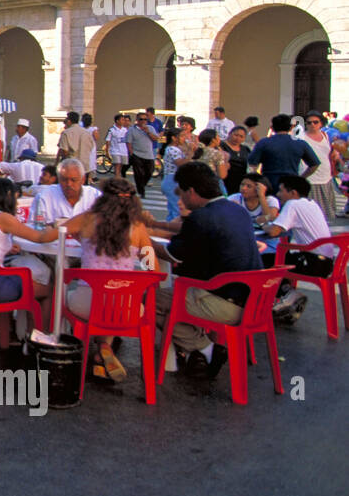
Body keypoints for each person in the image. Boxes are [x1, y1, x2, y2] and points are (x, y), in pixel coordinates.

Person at [152, 162, 261, 379]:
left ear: (191, 191)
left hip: (223, 303)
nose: (180, 200)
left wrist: (144, 242)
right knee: (173, 297)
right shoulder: (237, 210)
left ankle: (204, 349)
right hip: (253, 301)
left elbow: (174, 256)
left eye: (182, 194)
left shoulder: (201, 217)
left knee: (148, 298)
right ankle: (197, 350)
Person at [61, 178, 158, 382]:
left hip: (86, 304)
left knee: (67, 297)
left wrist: (85, 241)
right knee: (114, 302)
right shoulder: (138, 228)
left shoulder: (87, 220)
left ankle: (82, 353)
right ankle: (102, 351)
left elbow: (59, 231)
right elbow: (152, 269)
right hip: (126, 309)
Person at [0, 177, 58, 350]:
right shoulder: (3, 218)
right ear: (8, 196)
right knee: (49, 289)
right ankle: (38, 340)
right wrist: (61, 228)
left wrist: (6, 248)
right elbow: (40, 238)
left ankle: (7, 341)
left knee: (23, 277)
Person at [260, 175, 333, 320]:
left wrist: (264, 225)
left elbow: (274, 231)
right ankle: (286, 294)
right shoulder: (311, 203)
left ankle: (285, 296)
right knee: (276, 257)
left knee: (262, 261)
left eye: (281, 191)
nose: (278, 195)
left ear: (293, 193)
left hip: (312, 263)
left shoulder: (293, 204)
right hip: (326, 262)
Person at [249, 114, 319, 186]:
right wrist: (301, 178)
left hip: (269, 183)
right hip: (291, 184)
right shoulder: (300, 143)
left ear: (272, 127)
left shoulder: (264, 143)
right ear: (291, 127)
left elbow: (252, 164)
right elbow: (314, 164)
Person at [299, 112, 339, 224]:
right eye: (309, 122)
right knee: (311, 214)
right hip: (310, 177)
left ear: (321, 123)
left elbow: (328, 151)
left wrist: (334, 152)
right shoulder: (301, 137)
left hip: (326, 176)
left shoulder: (325, 135)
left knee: (325, 214)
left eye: (315, 122)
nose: (312, 125)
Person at [32, 158, 100, 223]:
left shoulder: (95, 196)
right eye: (64, 180)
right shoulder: (44, 197)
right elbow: (35, 226)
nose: (69, 184)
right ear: (58, 179)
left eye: (73, 180)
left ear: (83, 180)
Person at [126, 112, 158, 198]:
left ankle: (141, 186)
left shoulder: (150, 128)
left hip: (149, 155)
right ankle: (141, 192)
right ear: (137, 120)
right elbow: (128, 142)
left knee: (149, 172)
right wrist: (131, 153)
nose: (143, 121)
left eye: (145, 119)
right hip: (137, 154)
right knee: (139, 174)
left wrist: (148, 132)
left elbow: (155, 139)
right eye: (141, 119)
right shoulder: (132, 130)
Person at [160, 127, 186, 222]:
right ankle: (173, 230)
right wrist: (190, 154)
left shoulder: (175, 149)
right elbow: (180, 164)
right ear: (174, 138)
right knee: (177, 209)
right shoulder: (173, 149)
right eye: (182, 136)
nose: (184, 139)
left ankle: (170, 228)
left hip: (171, 179)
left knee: (173, 208)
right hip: (172, 179)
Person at [220, 124, 250, 196]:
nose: (238, 138)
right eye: (236, 135)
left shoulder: (245, 149)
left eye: (241, 137)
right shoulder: (221, 146)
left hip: (240, 181)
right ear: (230, 134)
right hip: (225, 180)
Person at [196, 128, 229, 192]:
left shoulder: (194, 151)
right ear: (213, 140)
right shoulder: (217, 153)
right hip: (212, 184)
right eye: (218, 137)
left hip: (196, 183)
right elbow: (222, 175)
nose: (219, 139)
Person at [105, 114, 130, 179]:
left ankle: (118, 176)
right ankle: (117, 178)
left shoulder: (125, 130)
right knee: (117, 164)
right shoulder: (112, 130)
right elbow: (108, 140)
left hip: (124, 150)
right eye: (122, 120)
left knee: (122, 164)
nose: (123, 121)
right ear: (117, 121)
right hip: (115, 150)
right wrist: (107, 151)